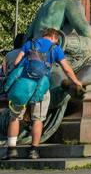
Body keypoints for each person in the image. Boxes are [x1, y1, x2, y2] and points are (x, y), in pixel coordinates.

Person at [3, 26, 84, 160]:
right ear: (54, 37)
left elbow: (17, 62)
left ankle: (11, 150)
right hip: (41, 86)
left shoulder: (30, 44)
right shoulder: (55, 48)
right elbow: (67, 68)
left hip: (23, 85)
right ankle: (33, 151)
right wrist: (76, 82)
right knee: (38, 119)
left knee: (14, 118)